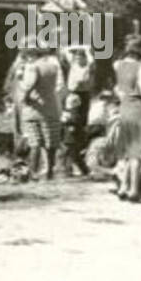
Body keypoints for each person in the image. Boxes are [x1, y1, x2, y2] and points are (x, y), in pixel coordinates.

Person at [111, 35, 141, 202]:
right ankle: (134, 191)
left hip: (124, 106)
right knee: (137, 151)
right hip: (138, 106)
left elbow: (117, 88)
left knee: (126, 150)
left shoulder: (117, 65)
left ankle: (123, 186)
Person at [18, 44, 65, 180]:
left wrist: (21, 84)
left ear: (32, 55)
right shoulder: (53, 66)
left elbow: (29, 85)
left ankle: (33, 172)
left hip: (34, 107)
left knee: (35, 142)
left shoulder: (33, 67)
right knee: (50, 142)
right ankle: (49, 170)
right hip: (51, 106)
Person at [60, 92, 90, 178]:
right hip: (69, 138)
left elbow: (74, 124)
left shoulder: (75, 115)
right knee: (70, 155)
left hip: (73, 139)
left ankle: (82, 170)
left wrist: (66, 121)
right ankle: (69, 170)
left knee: (73, 155)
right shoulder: (71, 114)